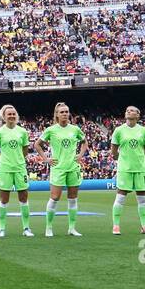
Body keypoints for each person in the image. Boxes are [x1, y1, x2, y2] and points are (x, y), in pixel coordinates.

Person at [36, 102, 86, 238]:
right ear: (57, 114)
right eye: (62, 112)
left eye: (66, 111)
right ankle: (49, 227)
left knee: (73, 198)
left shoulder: (75, 129)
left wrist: (80, 155)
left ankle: (72, 228)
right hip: (58, 168)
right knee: (54, 197)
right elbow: (37, 145)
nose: (65, 114)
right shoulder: (51, 130)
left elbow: (84, 141)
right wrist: (46, 159)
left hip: (73, 167)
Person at [110, 105, 145, 235]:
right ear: (125, 115)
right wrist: (123, 160)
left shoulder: (143, 131)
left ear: (137, 115)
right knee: (120, 196)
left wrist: (141, 161)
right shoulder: (119, 130)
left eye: (132, 110)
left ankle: (144, 226)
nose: (129, 112)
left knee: (142, 198)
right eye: (127, 110)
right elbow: (114, 150)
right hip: (125, 168)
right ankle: (116, 226)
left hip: (140, 168)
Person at [0, 104, 33, 238]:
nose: (11, 116)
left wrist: (18, 159)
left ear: (16, 116)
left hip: (20, 168)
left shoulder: (22, 132)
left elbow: (25, 149)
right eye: (9, 114)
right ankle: (1, 228)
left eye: (13, 114)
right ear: (4, 117)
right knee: (4, 199)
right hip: (5, 168)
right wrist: (4, 160)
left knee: (23, 197)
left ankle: (26, 228)